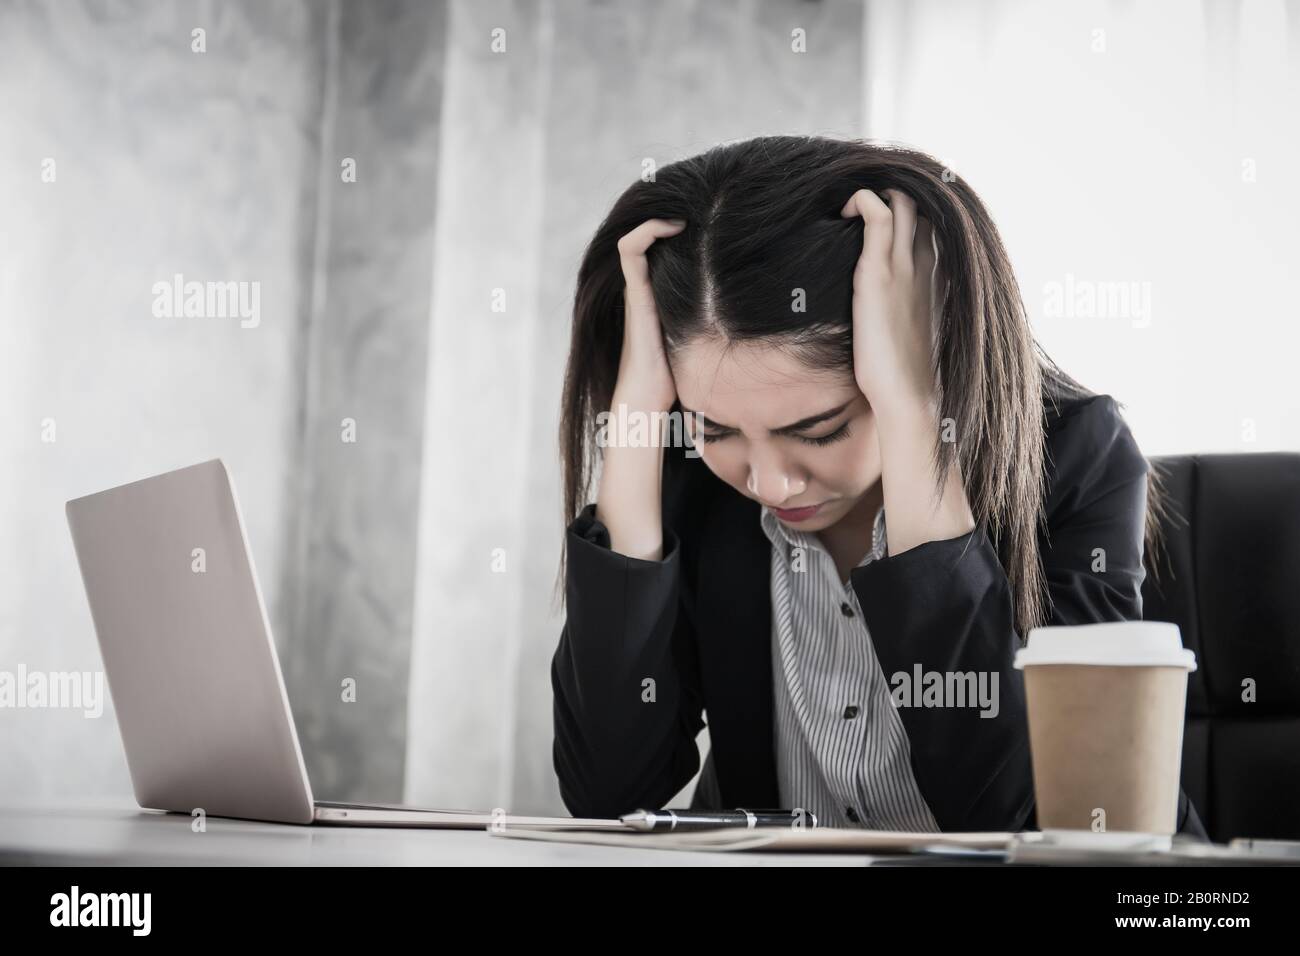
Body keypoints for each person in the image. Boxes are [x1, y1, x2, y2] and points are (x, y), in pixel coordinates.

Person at [551, 135, 1206, 837]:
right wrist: (633, 432)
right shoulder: (692, 484)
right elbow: (608, 791)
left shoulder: (1078, 459)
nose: (768, 480)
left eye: (822, 428)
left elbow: (1029, 819)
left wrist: (915, 425)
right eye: (716, 431)